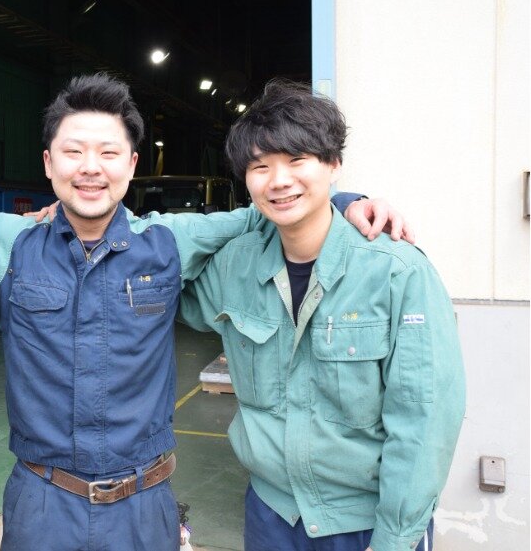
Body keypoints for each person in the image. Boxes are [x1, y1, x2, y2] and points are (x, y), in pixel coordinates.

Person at [0, 73, 411, 551]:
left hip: (144, 507)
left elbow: (269, 206)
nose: (91, 168)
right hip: (41, 505)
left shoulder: (169, 242)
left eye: (109, 153)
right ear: (49, 164)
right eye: (74, 152)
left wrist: (348, 199)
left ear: (132, 165)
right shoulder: (3, 243)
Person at [179, 80, 465, 551]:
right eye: (260, 167)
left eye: (297, 160)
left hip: (366, 522)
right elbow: (150, 272)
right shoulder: (235, 268)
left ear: (333, 165)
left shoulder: (398, 272)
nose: (278, 180)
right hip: (272, 514)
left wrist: (394, 540)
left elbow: (425, 420)